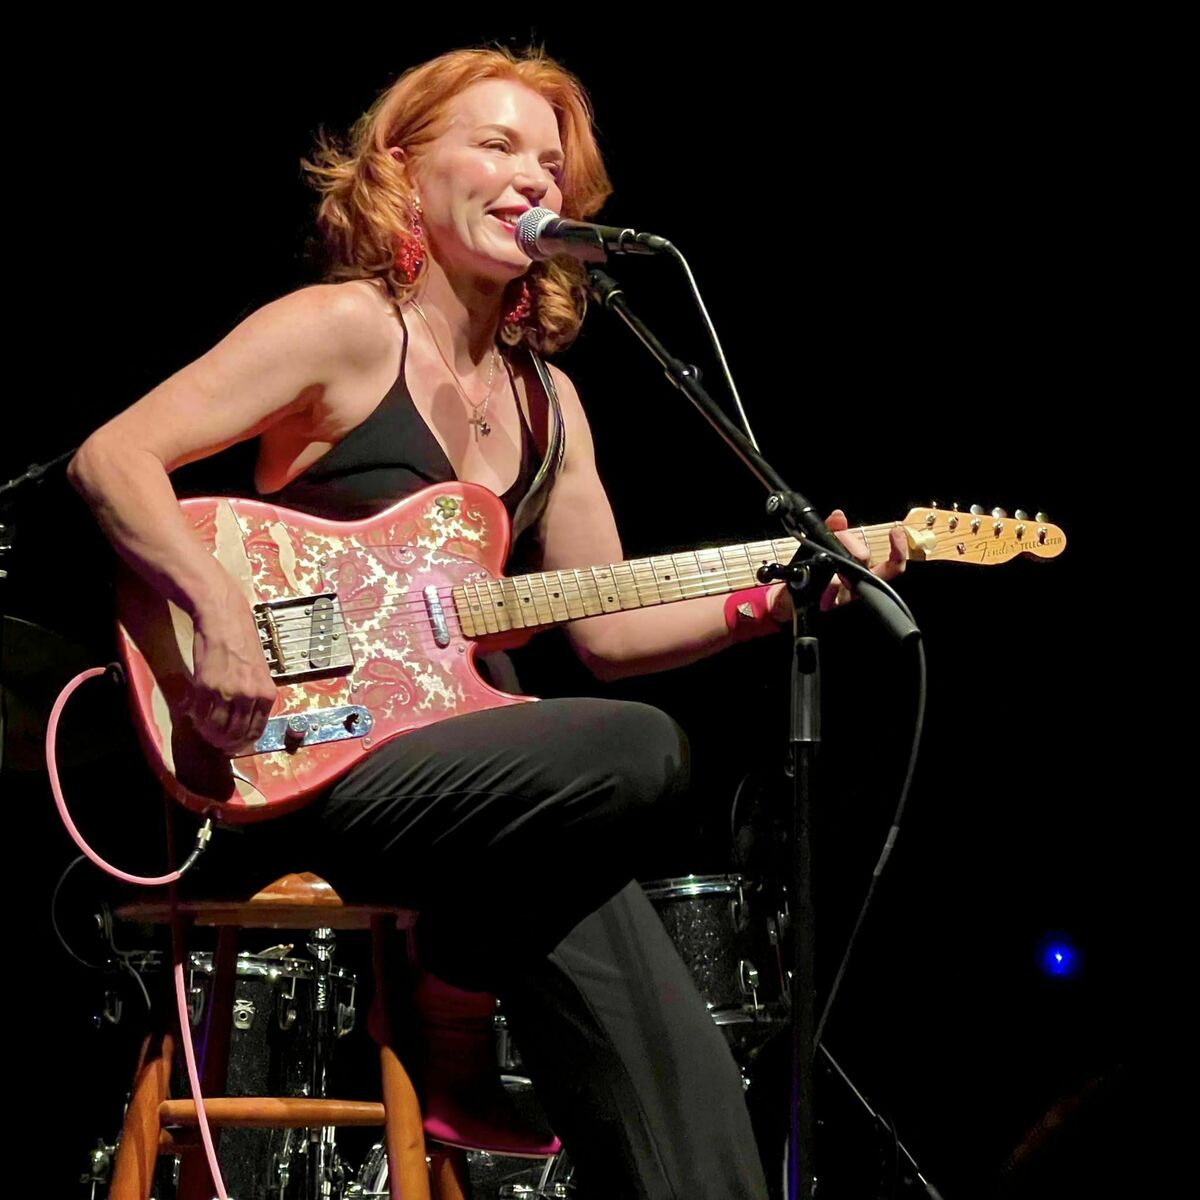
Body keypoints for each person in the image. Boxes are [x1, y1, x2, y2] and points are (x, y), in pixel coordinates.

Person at [69, 46, 905, 1199]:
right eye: (497, 146)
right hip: (313, 768)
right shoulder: (342, 328)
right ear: (404, 171)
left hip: (480, 798)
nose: (532, 181)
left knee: (686, 1074)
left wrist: (775, 601)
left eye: (551, 165)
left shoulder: (550, 402)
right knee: (640, 751)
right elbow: (111, 458)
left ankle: (472, 1004)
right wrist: (212, 608)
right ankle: (451, 994)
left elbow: (608, 628)